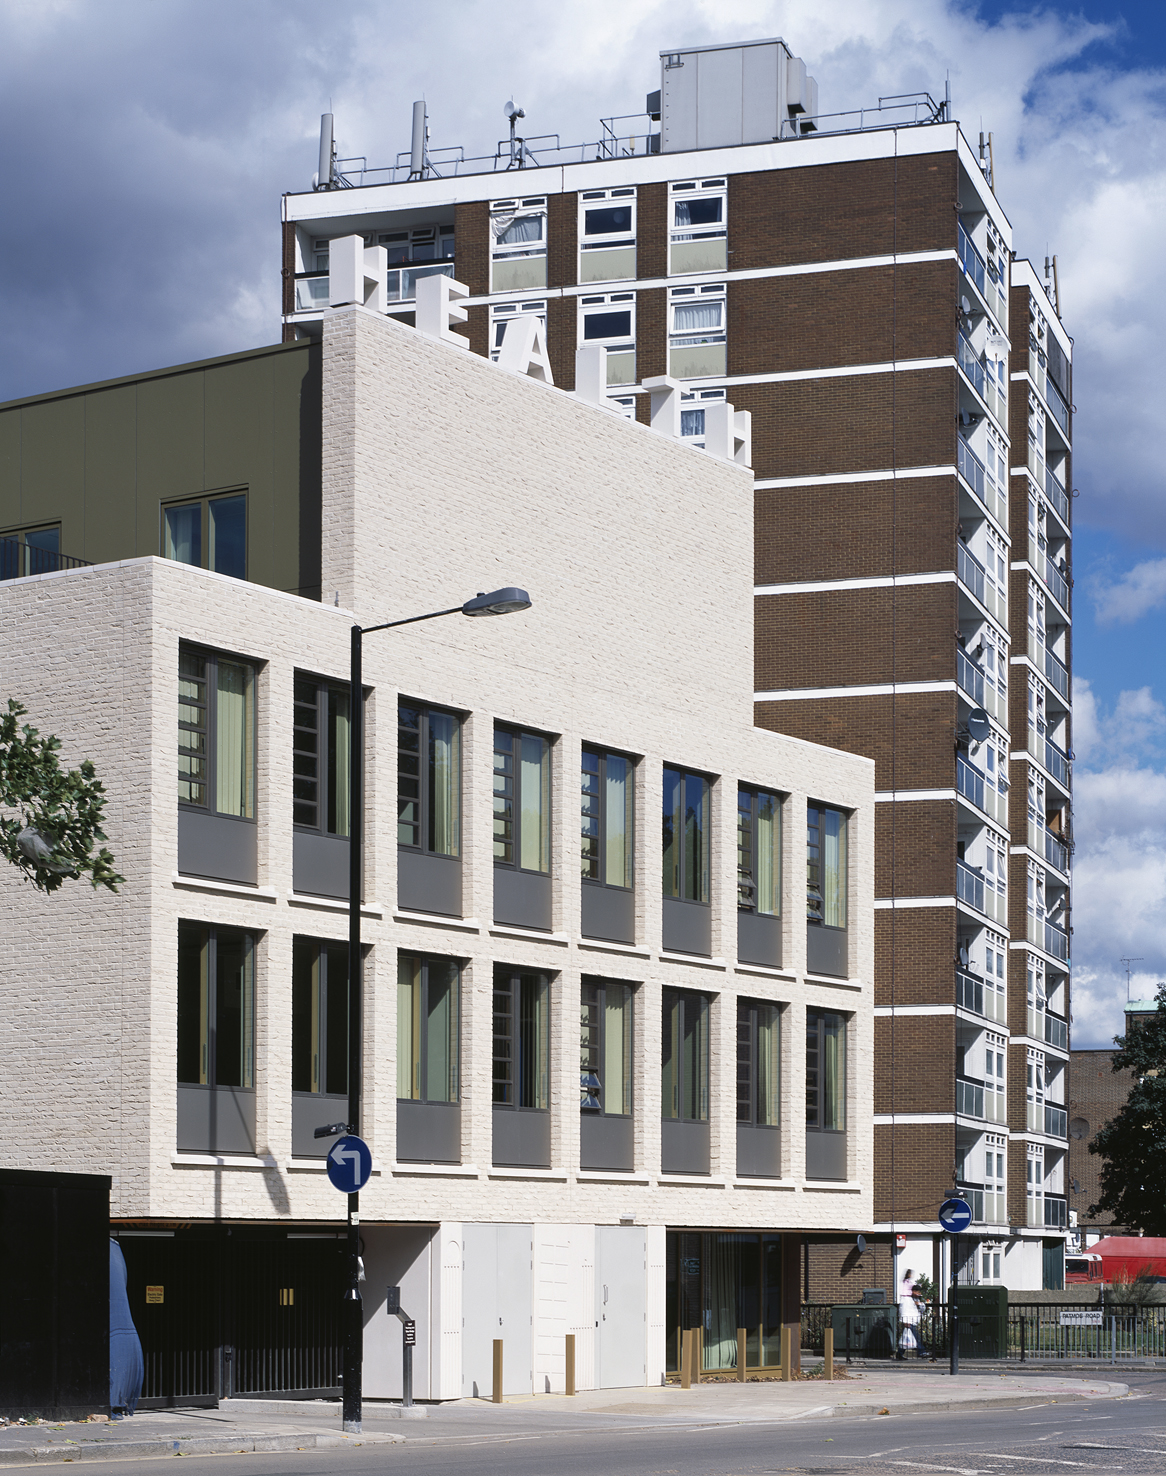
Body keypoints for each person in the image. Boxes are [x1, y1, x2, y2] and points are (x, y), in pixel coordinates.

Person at [897, 1268, 924, 1359]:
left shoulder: (913, 1298)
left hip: (911, 1320)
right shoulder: (906, 1299)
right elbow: (904, 1309)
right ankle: (921, 1351)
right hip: (909, 1320)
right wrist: (905, 1321)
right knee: (915, 1336)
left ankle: (899, 1353)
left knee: (907, 1337)